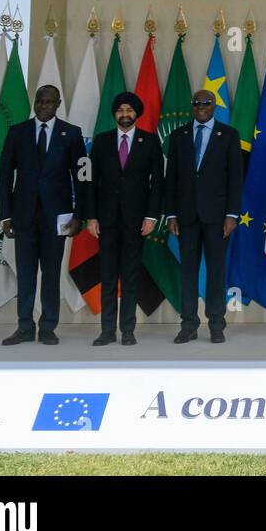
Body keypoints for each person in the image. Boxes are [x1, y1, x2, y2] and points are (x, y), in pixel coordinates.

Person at [0, 84, 87, 346]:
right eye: (40, 101)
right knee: (25, 273)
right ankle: (24, 327)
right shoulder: (17, 132)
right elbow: (5, 177)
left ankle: (48, 327)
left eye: (49, 102)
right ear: (34, 103)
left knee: (50, 274)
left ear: (58, 104)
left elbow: (81, 178)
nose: (43, 106)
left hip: (56, 218)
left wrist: (79, 214)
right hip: (23, 216)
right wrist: (5, 215)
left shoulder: (71, 134)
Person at [82, 91, 163, 347]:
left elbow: (157, 183)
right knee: (107, 276)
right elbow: (91, 182)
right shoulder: (102, 141)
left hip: (137, 221)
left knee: (130, 276)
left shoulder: (150, 142)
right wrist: (91, 216)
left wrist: (151, 216)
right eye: (120, 111)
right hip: (105, 221)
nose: (125, 115)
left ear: (136, 114)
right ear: (114, 114)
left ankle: (128, 329)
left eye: (129, 111)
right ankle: (107, 331)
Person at [164, 89, 243, 344]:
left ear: (214, 106)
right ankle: (188, 324)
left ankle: (216, 324)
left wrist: (232, 214)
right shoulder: (179, 136)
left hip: (218, 216)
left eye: (206, 103)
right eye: (196, 103)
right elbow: (171, 178)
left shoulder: (229, 135)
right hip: (186, 216)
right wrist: (171, 213)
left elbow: (235, 178)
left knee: (216, 271)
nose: (201, 106)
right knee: (188, 271)